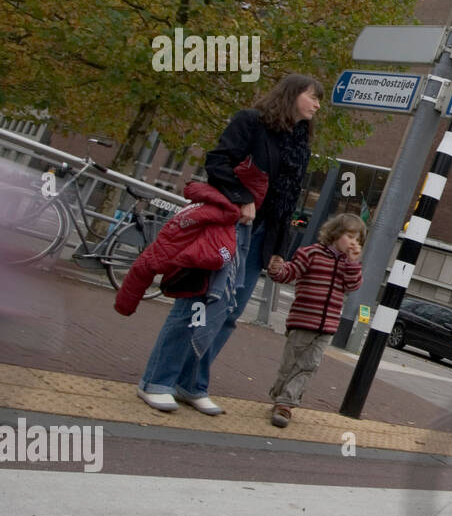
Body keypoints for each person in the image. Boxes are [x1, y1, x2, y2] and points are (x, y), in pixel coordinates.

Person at [135, 75, 323, 415]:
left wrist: (280, 247)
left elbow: (288, 199)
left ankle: (191, 385)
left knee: (230, 313)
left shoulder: (299, 141)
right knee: (199, 302)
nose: (317, 104)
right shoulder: (250, 121)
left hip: (263, 235)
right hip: (231, 227)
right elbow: (217, 162)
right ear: (293, 95)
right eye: (313, 96)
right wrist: (241, 198)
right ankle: (157, 381)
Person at [264, 213, 365, 427]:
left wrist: (354, 264)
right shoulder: (310, 253)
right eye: (349, 236)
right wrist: (277, 270)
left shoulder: (349, 265)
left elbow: (352, 286)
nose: (353, 243)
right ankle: (279, 394)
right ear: (335, 234)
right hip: (303, 320)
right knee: (290, 365)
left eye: (358, 239)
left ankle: (285, 404)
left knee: (309, 365)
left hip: (327, 326)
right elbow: (290, 272)